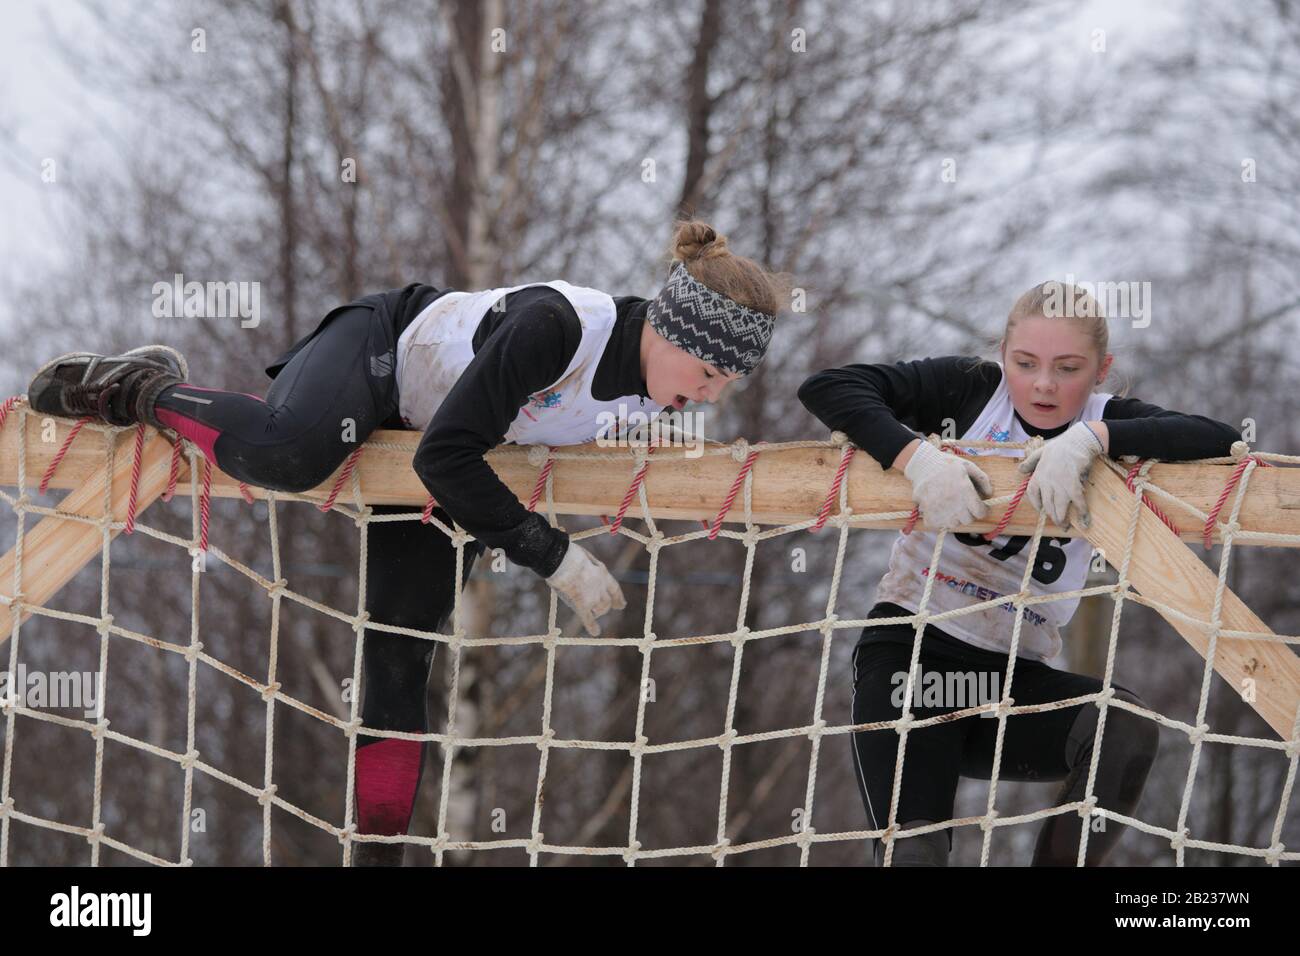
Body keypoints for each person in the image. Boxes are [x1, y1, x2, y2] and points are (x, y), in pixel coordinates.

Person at [27, 220, 785, 865]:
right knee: (294, 453)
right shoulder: (559, 328)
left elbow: (494, 457)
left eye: (729, 383)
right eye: (712, 371)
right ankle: (136, 387)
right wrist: (548, 553)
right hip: (383, 354)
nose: (714, 393)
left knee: (399, 648)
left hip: (451, 448)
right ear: (669, 328)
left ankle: (376, 853)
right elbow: (442, 457)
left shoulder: (647, 401)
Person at [797, 281, 1239, 866]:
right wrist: (918, 459)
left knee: (1124, 728)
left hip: (1011, 684)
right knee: (915, 858)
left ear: (1101, 370)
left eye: (1068, 368)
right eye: (1025, 363)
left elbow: (1224, 438)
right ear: (1002, 353)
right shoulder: (971, 392)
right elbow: (828, 387)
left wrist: (1094, 440)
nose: (1044, 384)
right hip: (913, 663)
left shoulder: (1112, 424)